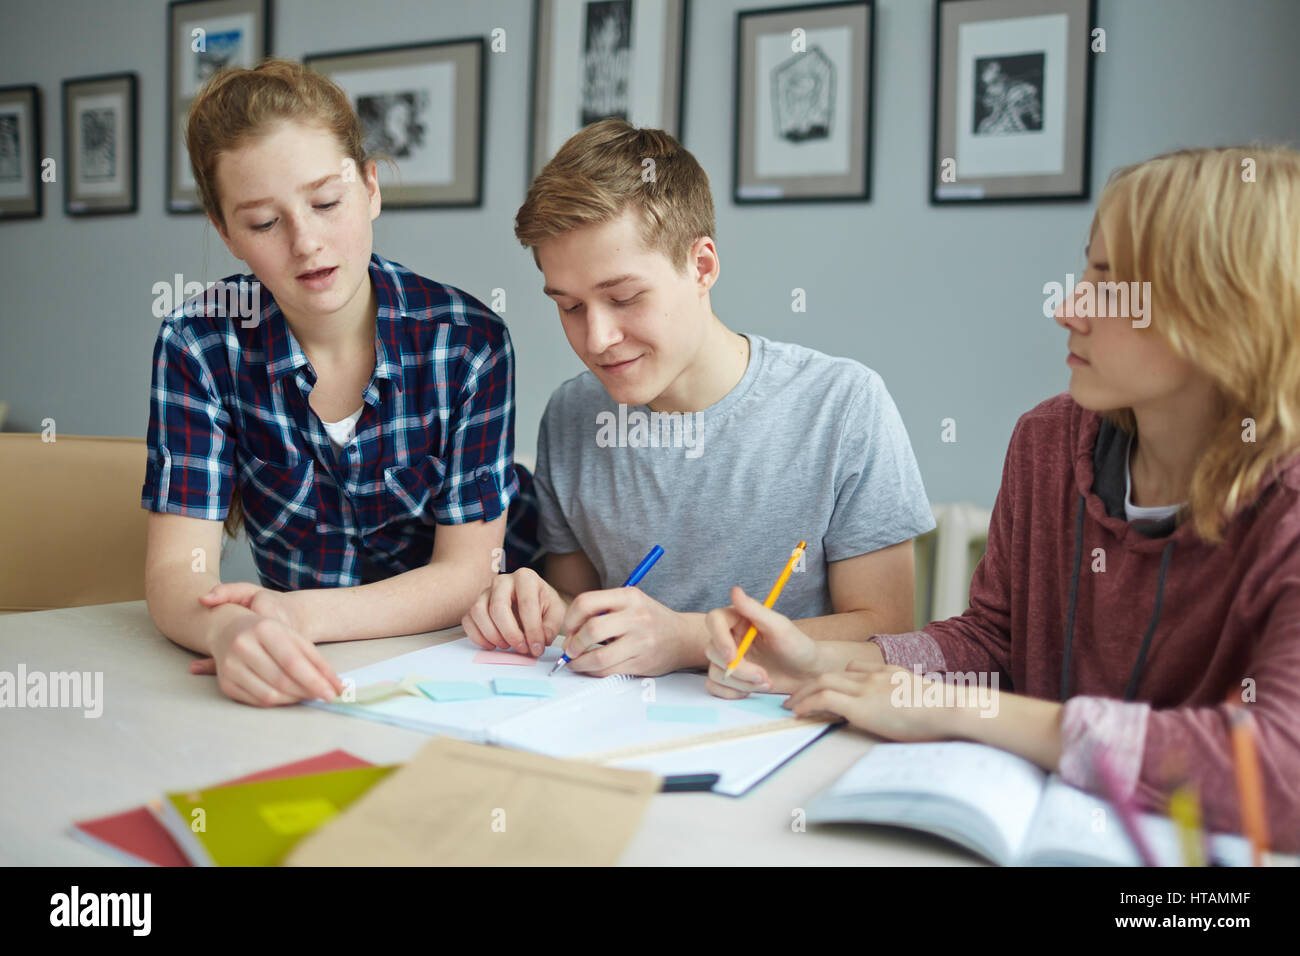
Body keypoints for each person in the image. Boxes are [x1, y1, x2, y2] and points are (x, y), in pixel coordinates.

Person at [705, 145, 1300, 849]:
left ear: (1222, 317)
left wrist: (966, 714)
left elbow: (1278, 768)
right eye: (1087, 268)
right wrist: (823, 659)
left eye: (1108, 283)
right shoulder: (1049, 443)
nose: (1068, 307)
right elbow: (994, 643)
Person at [462, 119, 934, 677]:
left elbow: (887, 633)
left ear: (702, 266)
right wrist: (539, 608)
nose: (597, 339)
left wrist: (687, 638)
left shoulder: (843, 406)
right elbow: (578, 605)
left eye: (624, 297)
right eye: (570, 306)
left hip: (786, 724)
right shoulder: (571, 415)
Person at [142, 59, 537, 707]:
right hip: (300, 676)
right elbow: (174, 572)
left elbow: (469, 573)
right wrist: (228, 629)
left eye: (327, 202)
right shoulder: (199, 341)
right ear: (225, 231)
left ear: (371, 187)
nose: (306, 243)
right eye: (264, 223)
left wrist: (297, 616)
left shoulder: (468, 340)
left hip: (461, 668)